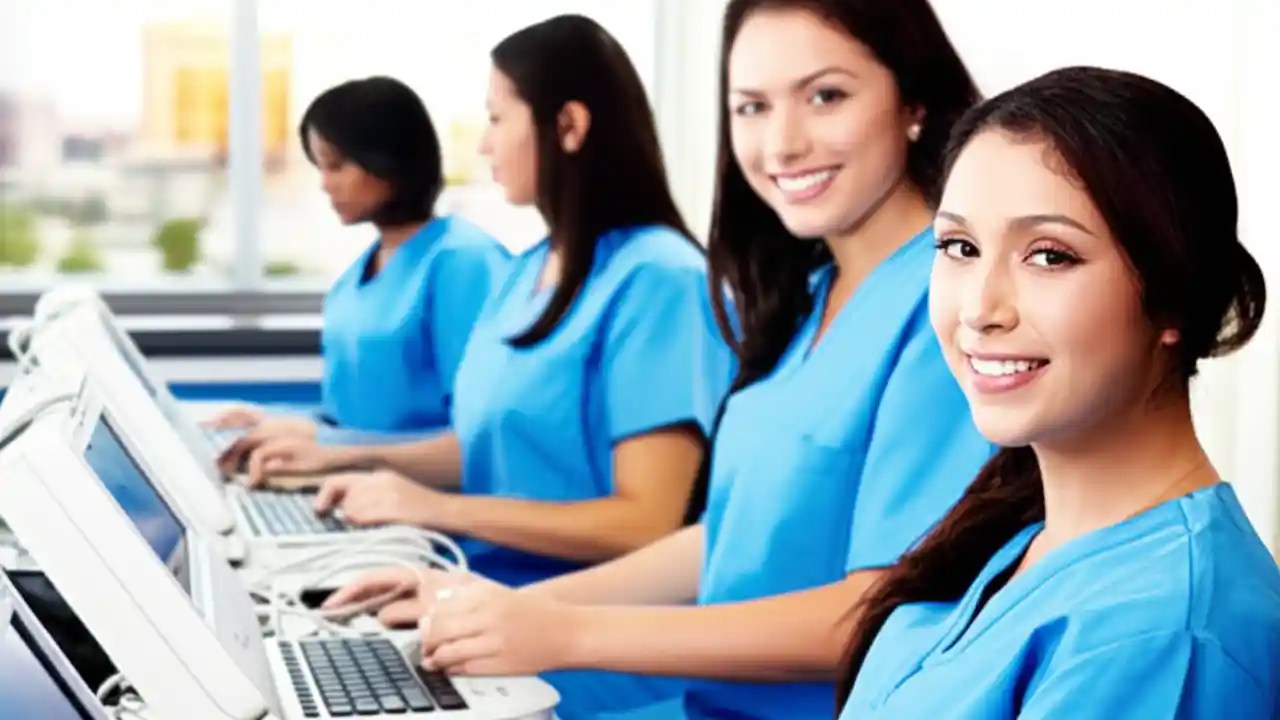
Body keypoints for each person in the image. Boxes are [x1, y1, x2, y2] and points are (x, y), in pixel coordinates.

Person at [322, 2, 991, 718]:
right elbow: (729, 543)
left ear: (913, 102)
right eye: (752, 107)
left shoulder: (947, 309)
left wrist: (571, 632)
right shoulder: (807, 296)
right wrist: (490, 602)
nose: (782, 143)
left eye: (825, 96)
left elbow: (887, 609)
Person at [836, 66, 1279, 719]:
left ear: (1174, 295)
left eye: (1049, 256)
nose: (980, 308)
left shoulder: (1167, 635)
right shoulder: (1022, 541)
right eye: (959, 246)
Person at [240, 15, 735, 587]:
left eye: (497, 118)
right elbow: (485, 451)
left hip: (582, 622)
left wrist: (436, 509)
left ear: (569, 125)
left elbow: (646, 522)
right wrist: (347, 457)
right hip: (476, 582)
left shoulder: (659, 281)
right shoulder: (528, 272)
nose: (483, 143)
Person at [213, 76, 509, 461]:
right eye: (320, 167)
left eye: (335, 165)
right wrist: (273, 422)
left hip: (426, 501)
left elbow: (484, 438)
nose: (324, 184)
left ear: (387, 159)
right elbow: (354, 423)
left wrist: (322, 443)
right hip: (357, 483)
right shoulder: (354, 280)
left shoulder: (464, 262)